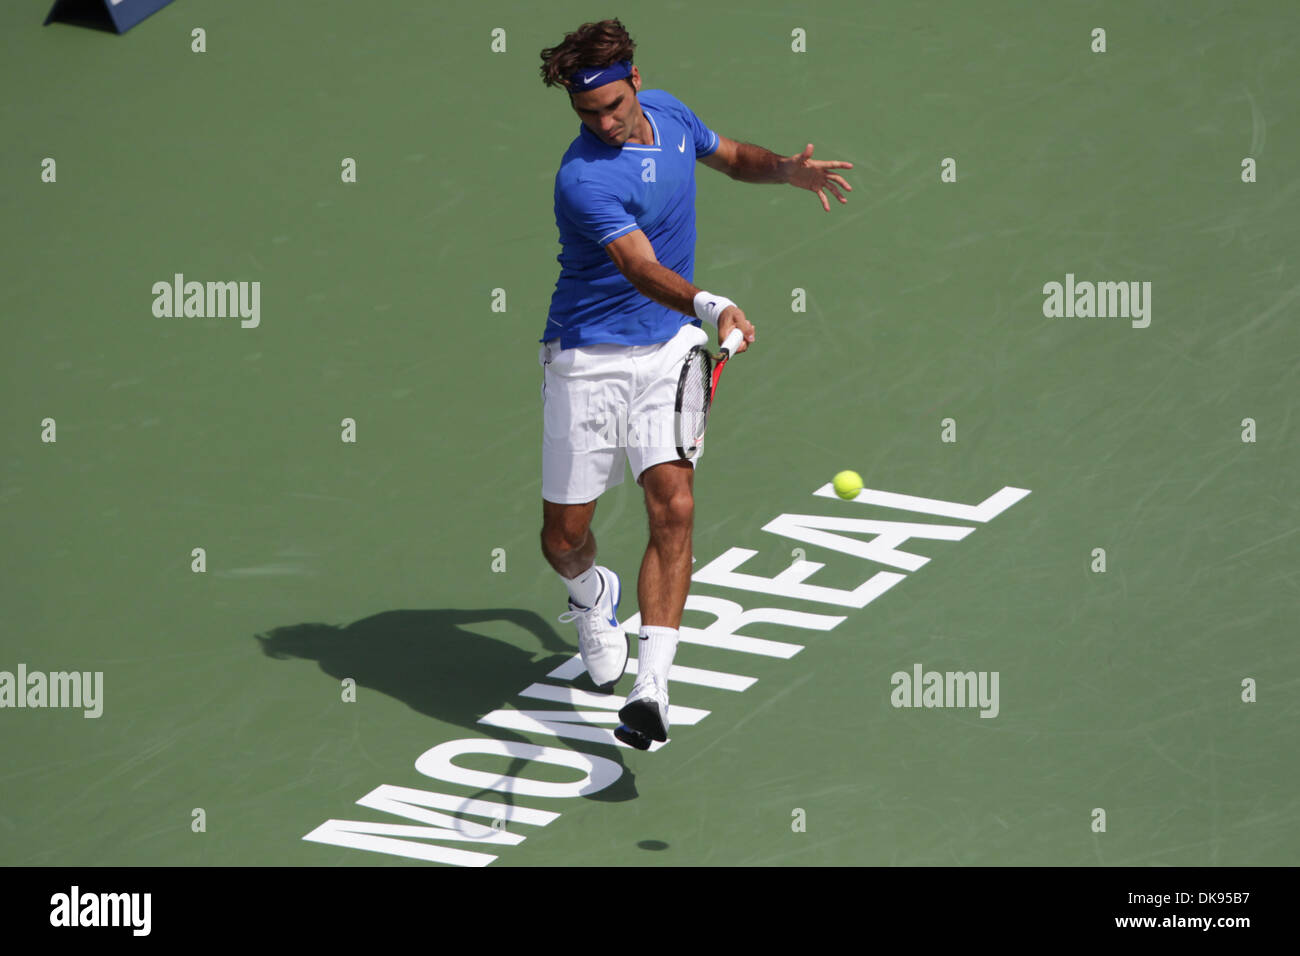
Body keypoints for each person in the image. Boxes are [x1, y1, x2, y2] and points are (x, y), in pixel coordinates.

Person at [536, 18, 853, 749]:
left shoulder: (673, 113)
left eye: (613, 106)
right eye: (589, 114)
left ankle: (652, 691)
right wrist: (713, 304)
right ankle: (592, 596)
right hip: (586, 358)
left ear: (636, 83)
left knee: (672, 503)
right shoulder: (583, 177)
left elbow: (731, 155)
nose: (605, 123)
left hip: (668, 350)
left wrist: (786, 171)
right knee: (564, 539)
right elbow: (640, 269)